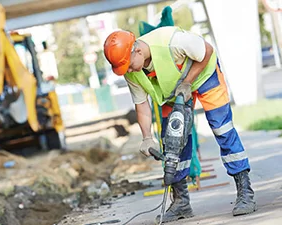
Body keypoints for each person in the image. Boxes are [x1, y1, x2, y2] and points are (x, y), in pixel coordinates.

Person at [103, 26, 257, 222]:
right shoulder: (130, 70)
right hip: (172, 92)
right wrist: (147, 138)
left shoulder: (171, 41)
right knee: (172, 142)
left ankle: (245, 192)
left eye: (129, 65)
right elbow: (141, 105)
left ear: (138, 51)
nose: (129, 70)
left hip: (203, 75)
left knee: (222, 128)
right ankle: (181, 202)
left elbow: (207, 51)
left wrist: (188, 81)